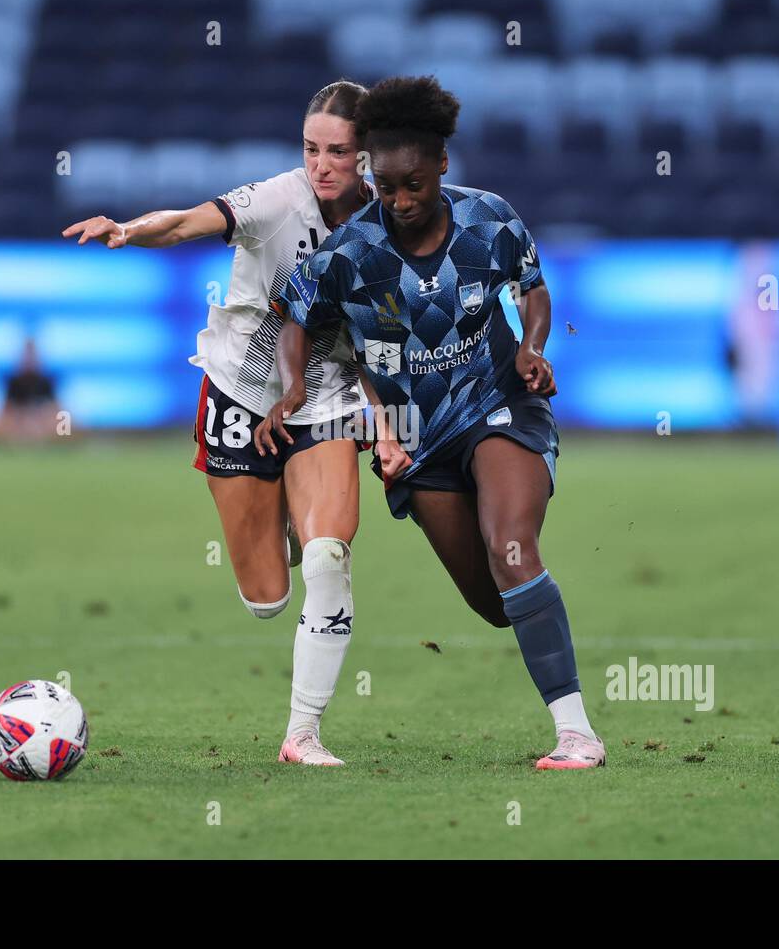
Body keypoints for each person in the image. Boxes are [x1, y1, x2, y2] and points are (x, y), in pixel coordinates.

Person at [258, 76, 605, 770]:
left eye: (412, 184)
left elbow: (532, 290)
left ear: (442, 165)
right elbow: (294, 318)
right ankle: (536, 619)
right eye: (385, 187)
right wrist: (293, 390)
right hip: (421, 443)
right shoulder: (349, 255)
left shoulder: (490, 221)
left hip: (499, 402)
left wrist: (534, 349)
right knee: (495, 603)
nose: (400, 200)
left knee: (512, 548)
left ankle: (577, 734)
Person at [62, 81, 374, 766]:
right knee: (267, 598)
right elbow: (181, 223)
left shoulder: (388, 221)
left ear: (367, 155)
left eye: (339, 151)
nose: (321, 164)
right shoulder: (276, 201)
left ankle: (303, 733)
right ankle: (286, 522)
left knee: (329, 557)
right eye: (311, 148)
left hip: (322, 397)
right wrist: (127, 231)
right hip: (238, 393)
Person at [0, 338, 64, 442]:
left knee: (61, 421)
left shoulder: (46, 382)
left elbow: (55, 409)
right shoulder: (13, 381)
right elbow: (6, 409)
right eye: (27, 356)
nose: (29, 360)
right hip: (18, 423)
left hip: (41, 423)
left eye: (32, 356)